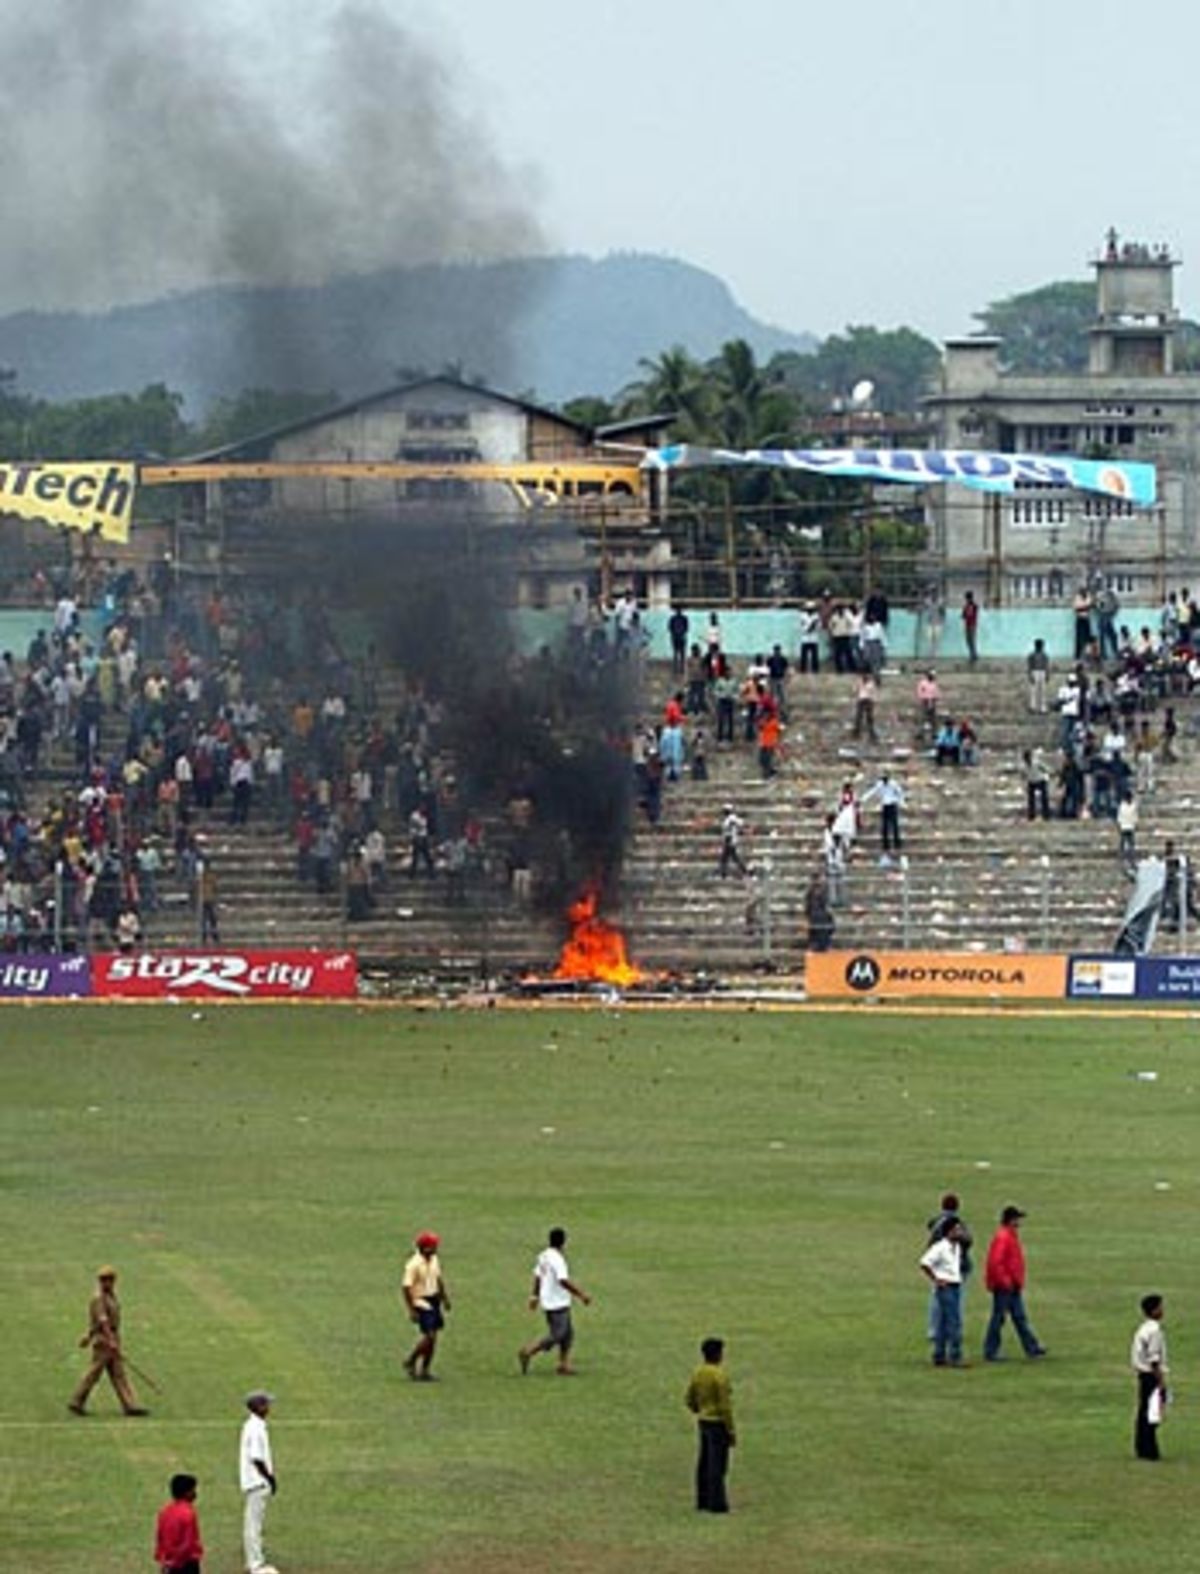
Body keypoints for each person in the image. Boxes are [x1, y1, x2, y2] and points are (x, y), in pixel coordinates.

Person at [68, 1265, 148, 1416]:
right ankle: (77, 1400)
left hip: (111, 1336)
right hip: (105, 1340)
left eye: (110, 1280)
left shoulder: (110, 1296)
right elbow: (102, 1321)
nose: (108, 1283)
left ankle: (130, 1405)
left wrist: (89, 1336)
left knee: (118, 1373)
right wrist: (110, 1340)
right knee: (94, 1372)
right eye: (105, 1280)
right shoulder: (99, 1298)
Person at [518, 1226, 592, 1376]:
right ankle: (529, 1351)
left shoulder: (544, 1255)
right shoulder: (558, 1259)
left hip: (549, 1299)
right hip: (557, 1301)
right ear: (563, 1242)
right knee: (558, 1334)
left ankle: (563, 1365)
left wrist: (534, 1296)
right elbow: (563, 1280)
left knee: (568, 1334)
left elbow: (538, 1276)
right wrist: (581, 1295)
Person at [982, 1206, 1047, 1361]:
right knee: (1000, 1318)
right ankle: (991, 1351)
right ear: (1011, 1220)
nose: (1019, 1222)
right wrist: (1005, 1281)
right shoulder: (1004, 1237)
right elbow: (996, 1263)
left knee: (1018, 1317)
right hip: (1005, 1286)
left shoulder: (1009, 1236)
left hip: (1012, 1284)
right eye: (1017, 1218)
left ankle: (1032, 1347)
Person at [685, 1336, 736, 1513]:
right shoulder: (719, 1376)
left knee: (704, 1461)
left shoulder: (698, 1373)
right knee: (717, 1464)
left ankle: (703, 1500)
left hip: (703, 1420)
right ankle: (717, 1503)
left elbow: (689, 1398)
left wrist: (698, 1409)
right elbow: (725, 1406)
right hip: (717, 1422)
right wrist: (731, 1429)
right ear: (718, 1354)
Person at [402, 1230, 451, 1380]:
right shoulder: (413, 1264)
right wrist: (411, 1309)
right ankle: (411, 1360)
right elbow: (406, 1287)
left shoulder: (434, 1259)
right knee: (429, 1336)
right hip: (421, 1301)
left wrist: (444, 1298)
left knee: (433, 1339)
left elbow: (438, 1278)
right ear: (425, 1248)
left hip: (434, 1299)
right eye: (433, 1246)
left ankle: (425, 1370)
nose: (436, 1248)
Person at [925, 1192, 973, 1343]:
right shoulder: (958, 1223)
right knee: (956, 1301)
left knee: (937, 1300)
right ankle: (953, 1330)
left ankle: (934, 1330)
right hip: (956, 1268)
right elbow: (968, 1241)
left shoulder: (936, 1222)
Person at [919, 1219, 967, 1367]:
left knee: (942, 1322)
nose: (960, 1232)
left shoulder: (957, 1247)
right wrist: (936, 1279)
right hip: (946, 1286)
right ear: (949, 1231)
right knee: (954, 1321)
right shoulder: (940, 1247)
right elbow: (925, 1263)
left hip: (955, 1285)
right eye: (957, 1230)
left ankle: (939, 1355)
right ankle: (955, 1356)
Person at [239, 1391, 278, 1574]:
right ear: (258, 1407)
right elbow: (256, 1457)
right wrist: (269, 1478)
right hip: (257, 1482)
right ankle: (256, 1564)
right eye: (266, 1404)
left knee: (253, 1524)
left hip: (254, 1482)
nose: (269, 1407)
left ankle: (254, 1560)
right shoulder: (256, 1428)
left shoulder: (253, 1425)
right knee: (254, 1525)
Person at [1131, 1293, 1168, 1461]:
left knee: (1143, 1411)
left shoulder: (1143, 1328)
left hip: (1143, 1374)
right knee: (1152, 1413)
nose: (1162, 1310)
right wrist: (1161, 1381)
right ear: (1153, 1311)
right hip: (1151, 1375)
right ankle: (1150, 1450)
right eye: (1160, 1307)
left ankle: (1142, 1448)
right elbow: (1154, 1358)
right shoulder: (1155, 1330)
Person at [155, 1472, 204, 1574]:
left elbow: (160, 1538)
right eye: (192, 1490)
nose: (195, 1493)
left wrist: (165, 1562)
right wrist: (177, 1561)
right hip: (186, 1564)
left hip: (169, 1561)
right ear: (187, 1493)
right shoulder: (188, 1513)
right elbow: (188, 1543)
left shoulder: (165, 1512)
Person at [719, 804, 748, 879]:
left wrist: (735, 831)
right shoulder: (730, 818)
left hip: (730, 840)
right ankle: (744, 872)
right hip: (730, 840)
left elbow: (739, 824)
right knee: (730, 858)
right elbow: (740, 824)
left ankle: (724, 874)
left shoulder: (731, 818)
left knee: (726, 858)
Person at [961, 590, 979, 663]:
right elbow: (964, 615)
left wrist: (964, 613)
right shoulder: (973, 606)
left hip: (970, 625)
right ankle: (973, 654)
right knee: (971, 640)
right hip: (971, 624)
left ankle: (973, 655)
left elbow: (965, 615)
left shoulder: (970, 606)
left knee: (970, 640)